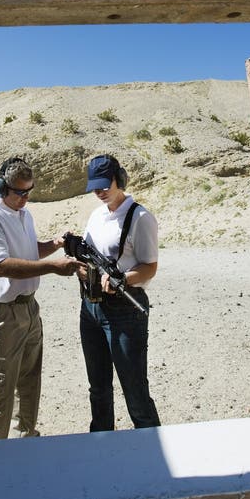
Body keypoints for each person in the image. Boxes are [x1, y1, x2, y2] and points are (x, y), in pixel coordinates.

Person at [0, 156, 83, 440]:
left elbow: (30, 252)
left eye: (29, 191)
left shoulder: (24, 214)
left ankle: (25, 444)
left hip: (28, 309)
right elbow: (2, 266)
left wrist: (55, 244)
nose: (25, 198)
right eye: (19, 192)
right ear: (1, 188)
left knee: (29, 386)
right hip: (0, 316)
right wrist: (54, 268)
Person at [78, 154, 161, 432]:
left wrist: (122, 280)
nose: (99, 192)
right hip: (91, 308)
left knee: (135, 391)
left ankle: (151, 447)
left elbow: (149, 267)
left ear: (120, 180)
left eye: (105, 185)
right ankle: (102, 443)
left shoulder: (140, 217)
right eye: (95, 188)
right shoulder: (96, 215)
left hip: (125, 309)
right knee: (98, 388)